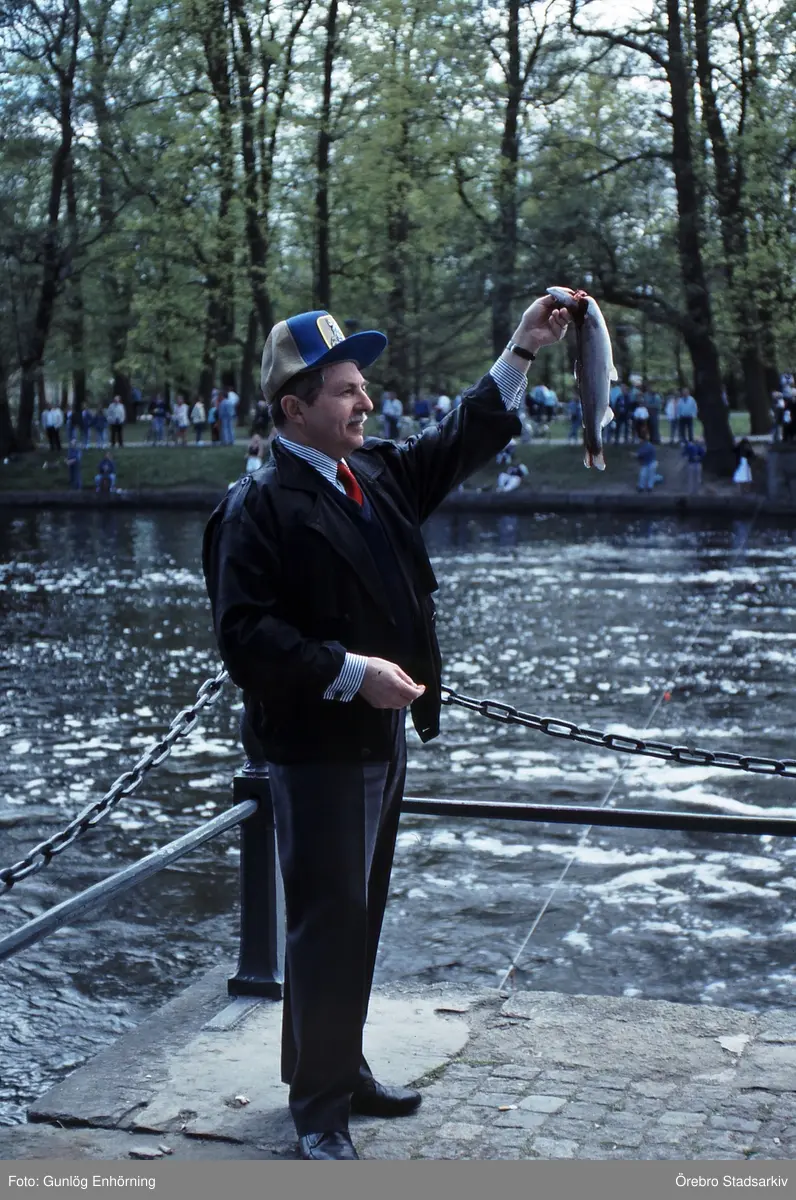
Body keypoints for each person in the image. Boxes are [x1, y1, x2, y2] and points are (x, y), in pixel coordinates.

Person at [202, 298, 571, 1161]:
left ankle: (342, 1068)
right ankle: (319, 1114)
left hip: (379, 739)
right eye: (344, 393)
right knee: (328, 922)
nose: (364, 405)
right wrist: (348, 672)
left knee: (356, 919)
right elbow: (244, 637)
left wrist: (522, 349)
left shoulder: (370, 475)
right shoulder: (256, 506)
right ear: (294, 407)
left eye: (364, 389)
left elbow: (457, 438)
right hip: (320, 746)